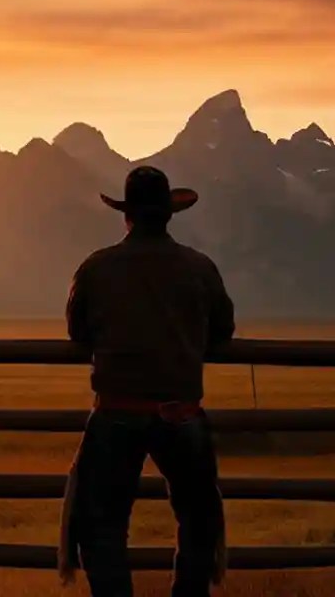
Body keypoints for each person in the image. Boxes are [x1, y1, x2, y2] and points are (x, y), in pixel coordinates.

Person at [59, 165, 236, 597]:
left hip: (117, 409)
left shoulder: (97, 269)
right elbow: (222, 332)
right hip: (182, 412)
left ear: (128, 216)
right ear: (169, 215)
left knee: (101, 524)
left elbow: (78, 333)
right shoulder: (200, 267)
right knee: (198, 520)